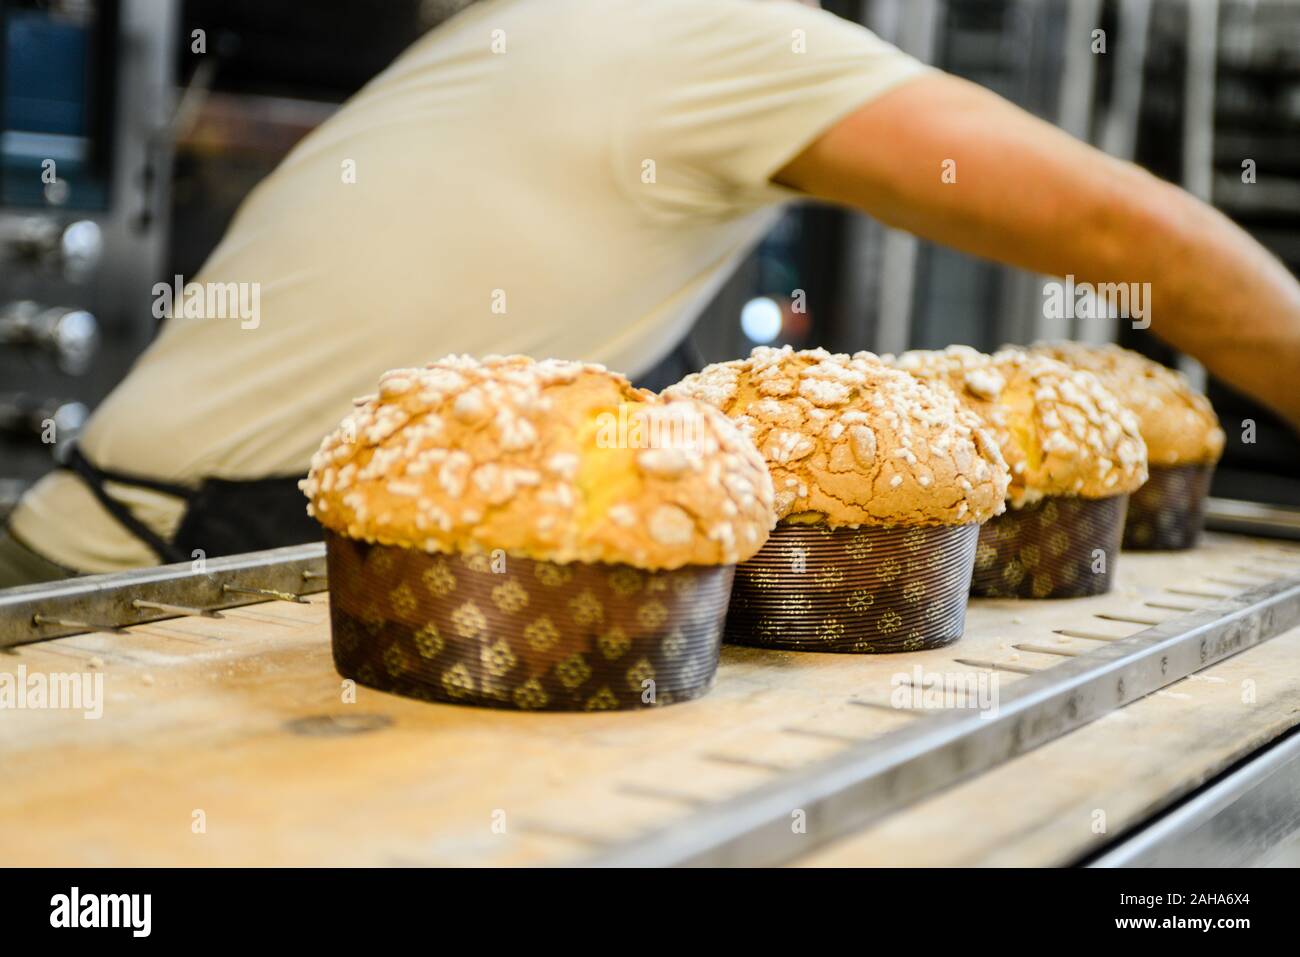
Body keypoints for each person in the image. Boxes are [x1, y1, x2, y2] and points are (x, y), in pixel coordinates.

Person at [3, 0, 1299, 586]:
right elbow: (1130, 229)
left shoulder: (543, 23)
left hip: (109, 541)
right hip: (171, 580)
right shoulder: (730, 37)